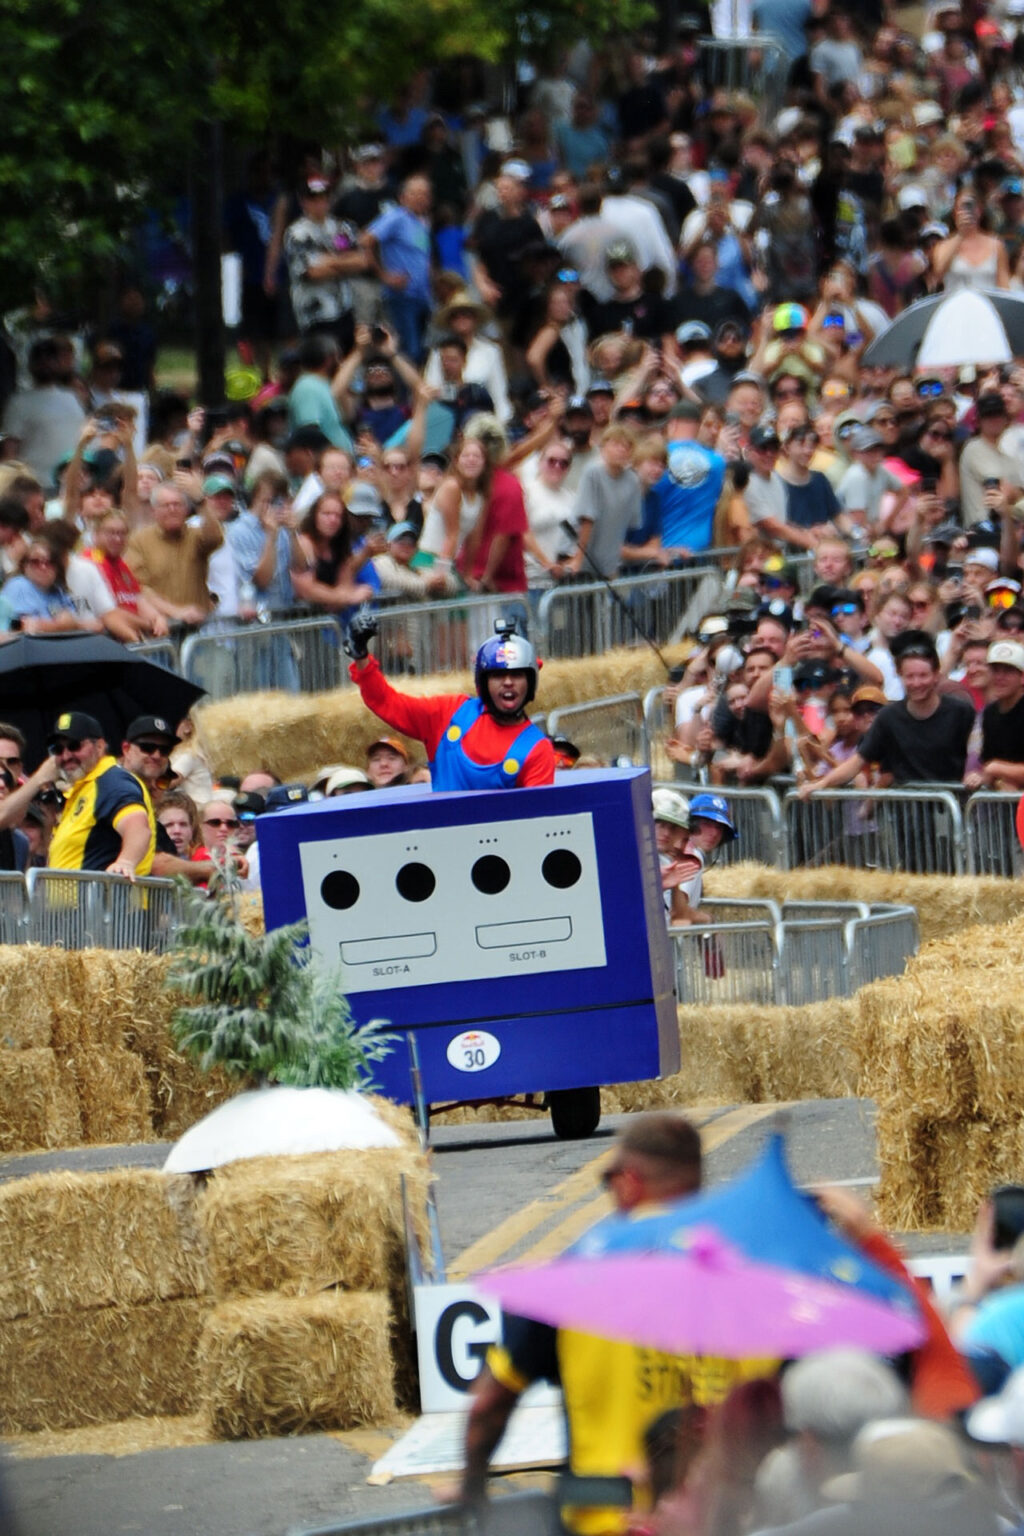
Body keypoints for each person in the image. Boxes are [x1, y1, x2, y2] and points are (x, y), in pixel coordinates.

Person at [459, 1111, 765, 1532]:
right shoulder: (754, 1269)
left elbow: (490, 1407)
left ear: (630, 1181)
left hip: (606, 1517)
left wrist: (470, 1490)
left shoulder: (579, 1273)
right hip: (723, 1516)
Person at [347, 615, 555, 789]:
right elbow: (387, 702)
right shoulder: (449, 713)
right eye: (498, 675)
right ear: (483, 681)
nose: (508, 682)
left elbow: (535, 824)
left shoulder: (538, 749)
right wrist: (361, 655)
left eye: (517, 675)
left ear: (530, 682)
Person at [45, 711, 156, 879]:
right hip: (77, 904)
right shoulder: (85, 786)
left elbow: (138, 827)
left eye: (75, 746)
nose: (66, 756)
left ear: (99, 746)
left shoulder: (111, 780)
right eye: (58, 749)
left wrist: (126, 863)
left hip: (109, 903)